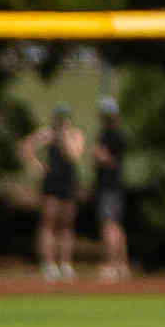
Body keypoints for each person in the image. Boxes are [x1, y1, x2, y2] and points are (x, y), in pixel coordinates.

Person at [34, 109, 82, 283]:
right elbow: (26, 147)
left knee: (67, 225)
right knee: (48, 223)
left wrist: (63, 138)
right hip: (51, 184)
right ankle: (49, 264)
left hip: (68, 184)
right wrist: (38, 165)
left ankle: (66, 264)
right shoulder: (47, 134)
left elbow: (73, 155)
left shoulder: (74, 135)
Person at [90, 101, 132, 281]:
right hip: (116, 186)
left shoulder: (110, 135)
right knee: (117, 226)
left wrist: (98, 154)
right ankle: (122, 266)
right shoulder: (117, 134)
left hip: (109, 187)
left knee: (109, 225)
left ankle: (111, 266)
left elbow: (104, 158)